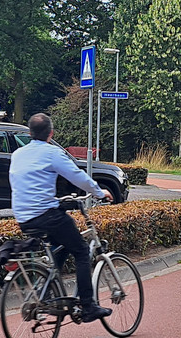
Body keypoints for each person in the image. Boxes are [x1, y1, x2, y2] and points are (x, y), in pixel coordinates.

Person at [10, 112, 113, 322]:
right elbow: (76, 175)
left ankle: (47, 292)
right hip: (45, 215)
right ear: (51, 134)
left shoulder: (18, 154)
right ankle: (88, 306)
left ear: (29, 133)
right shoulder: (52, 153)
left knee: (63, 243)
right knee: (82, 250)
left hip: (23, 217)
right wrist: (99, 192)